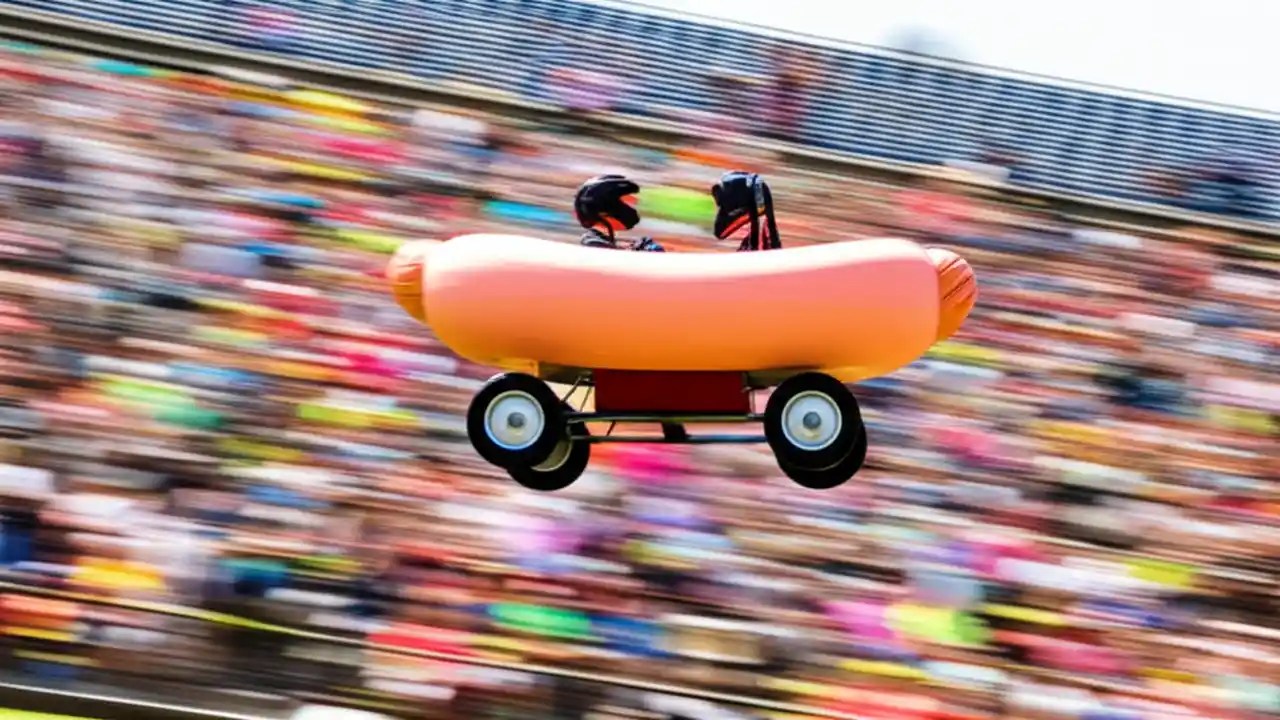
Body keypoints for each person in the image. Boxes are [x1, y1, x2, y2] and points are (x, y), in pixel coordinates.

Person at [574, 175, 665, 251]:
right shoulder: (592, 244)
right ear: (606, 208)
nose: (632, 208)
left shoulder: (603, 241)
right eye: (627, 203)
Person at [711, 170, 782, 251]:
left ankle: (760, 248)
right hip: (753, 193)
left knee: (764, 225)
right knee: (720, 231)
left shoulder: (731, 190)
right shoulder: (727, 186)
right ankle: (753, 246)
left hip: (758, 193)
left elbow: (757, 219)